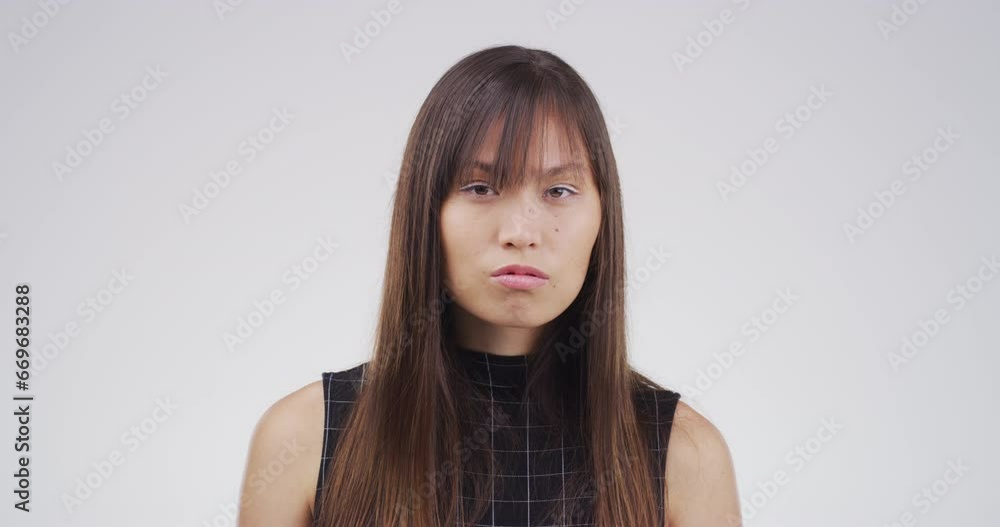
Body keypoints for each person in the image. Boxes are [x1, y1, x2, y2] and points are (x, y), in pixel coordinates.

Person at [237, 44, 740, 526]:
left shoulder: (684, 456)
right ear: (426, 212)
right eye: (481, 187)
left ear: (603, 215)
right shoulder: (304, 439)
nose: (521, 232)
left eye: (559, 190)